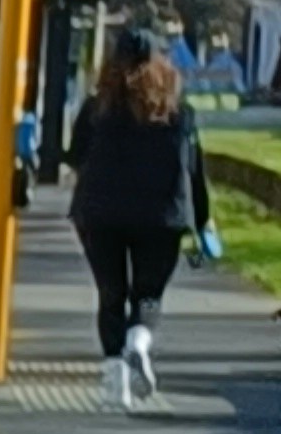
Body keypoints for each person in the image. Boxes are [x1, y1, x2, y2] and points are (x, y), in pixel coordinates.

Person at [68, 34, 203, 409]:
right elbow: (193, 172)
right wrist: (202, 223)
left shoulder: (96, 110)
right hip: (161, 217)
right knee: (147, 294)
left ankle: (115, 382)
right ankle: (138, 341)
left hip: (101, 214)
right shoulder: (179, 113)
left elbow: (75, 155)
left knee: (111, 294)